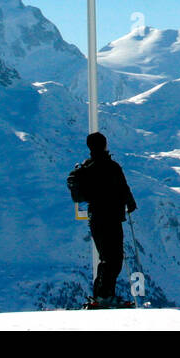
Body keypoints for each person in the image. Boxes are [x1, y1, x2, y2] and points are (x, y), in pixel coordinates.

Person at [68, 131, 137, 305]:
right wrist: (130, 203)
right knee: (114, 258)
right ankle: (105, 296)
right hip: (112, 217)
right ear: (105, 145)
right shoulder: (112, 166)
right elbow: (123, 187)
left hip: (96, 217)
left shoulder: (85, 168)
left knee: (106, 257)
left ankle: (101, 296)